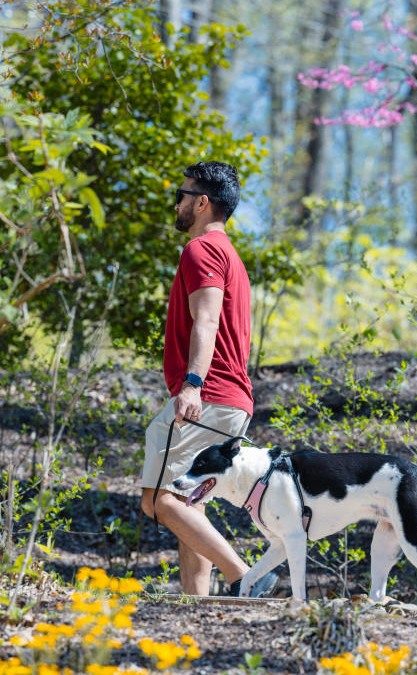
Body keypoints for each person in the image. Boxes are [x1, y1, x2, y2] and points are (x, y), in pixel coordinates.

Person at [139, 162, 274, 597]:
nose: (175, 203)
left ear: (201, 202)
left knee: (159, 500)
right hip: (233, 401)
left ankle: (246, 577)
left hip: (210, 394)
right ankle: (197, 608)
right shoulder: (230, 255)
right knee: (186, 506)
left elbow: (207, 318)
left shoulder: (202, 250)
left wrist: (193, 383)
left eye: (180, 194)